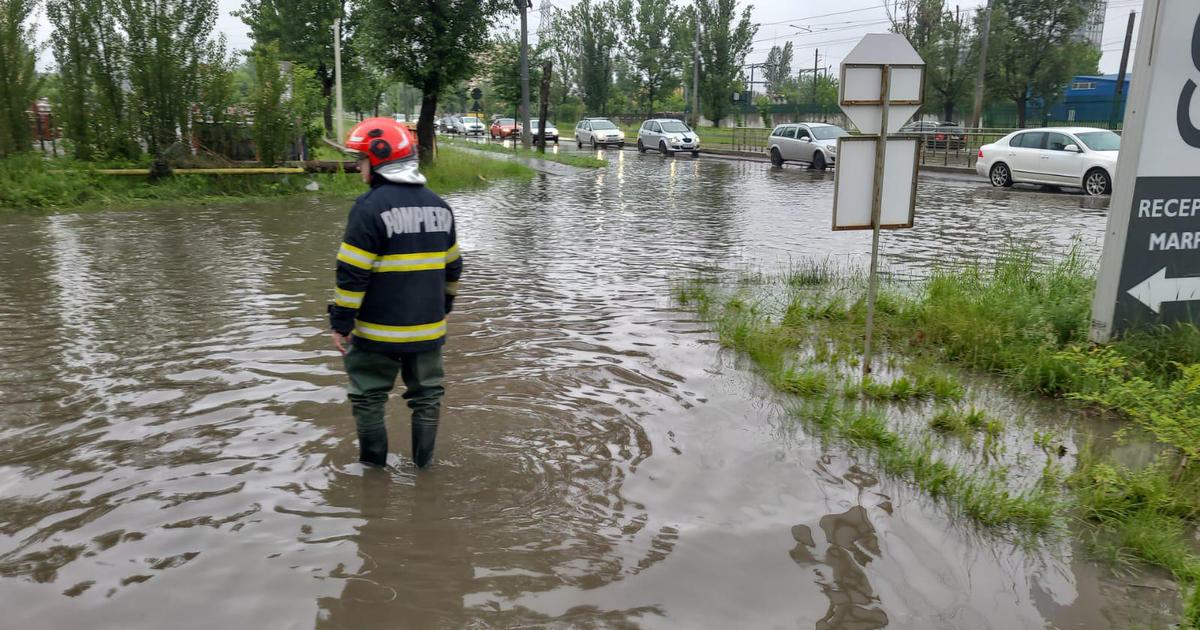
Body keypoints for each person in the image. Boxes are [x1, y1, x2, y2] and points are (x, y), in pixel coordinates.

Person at [329, 118, 462, 468]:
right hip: (428, 331)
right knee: (428, 397)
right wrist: (443, 306)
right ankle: (424, 467)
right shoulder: (440, 206)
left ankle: (373, 474)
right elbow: (454, 268)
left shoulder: (368, 208)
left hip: (376, 333)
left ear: (379, 160)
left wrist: (341, 323)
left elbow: (351, 275)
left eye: (361, 160)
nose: (359, 168)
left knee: (368, 397)